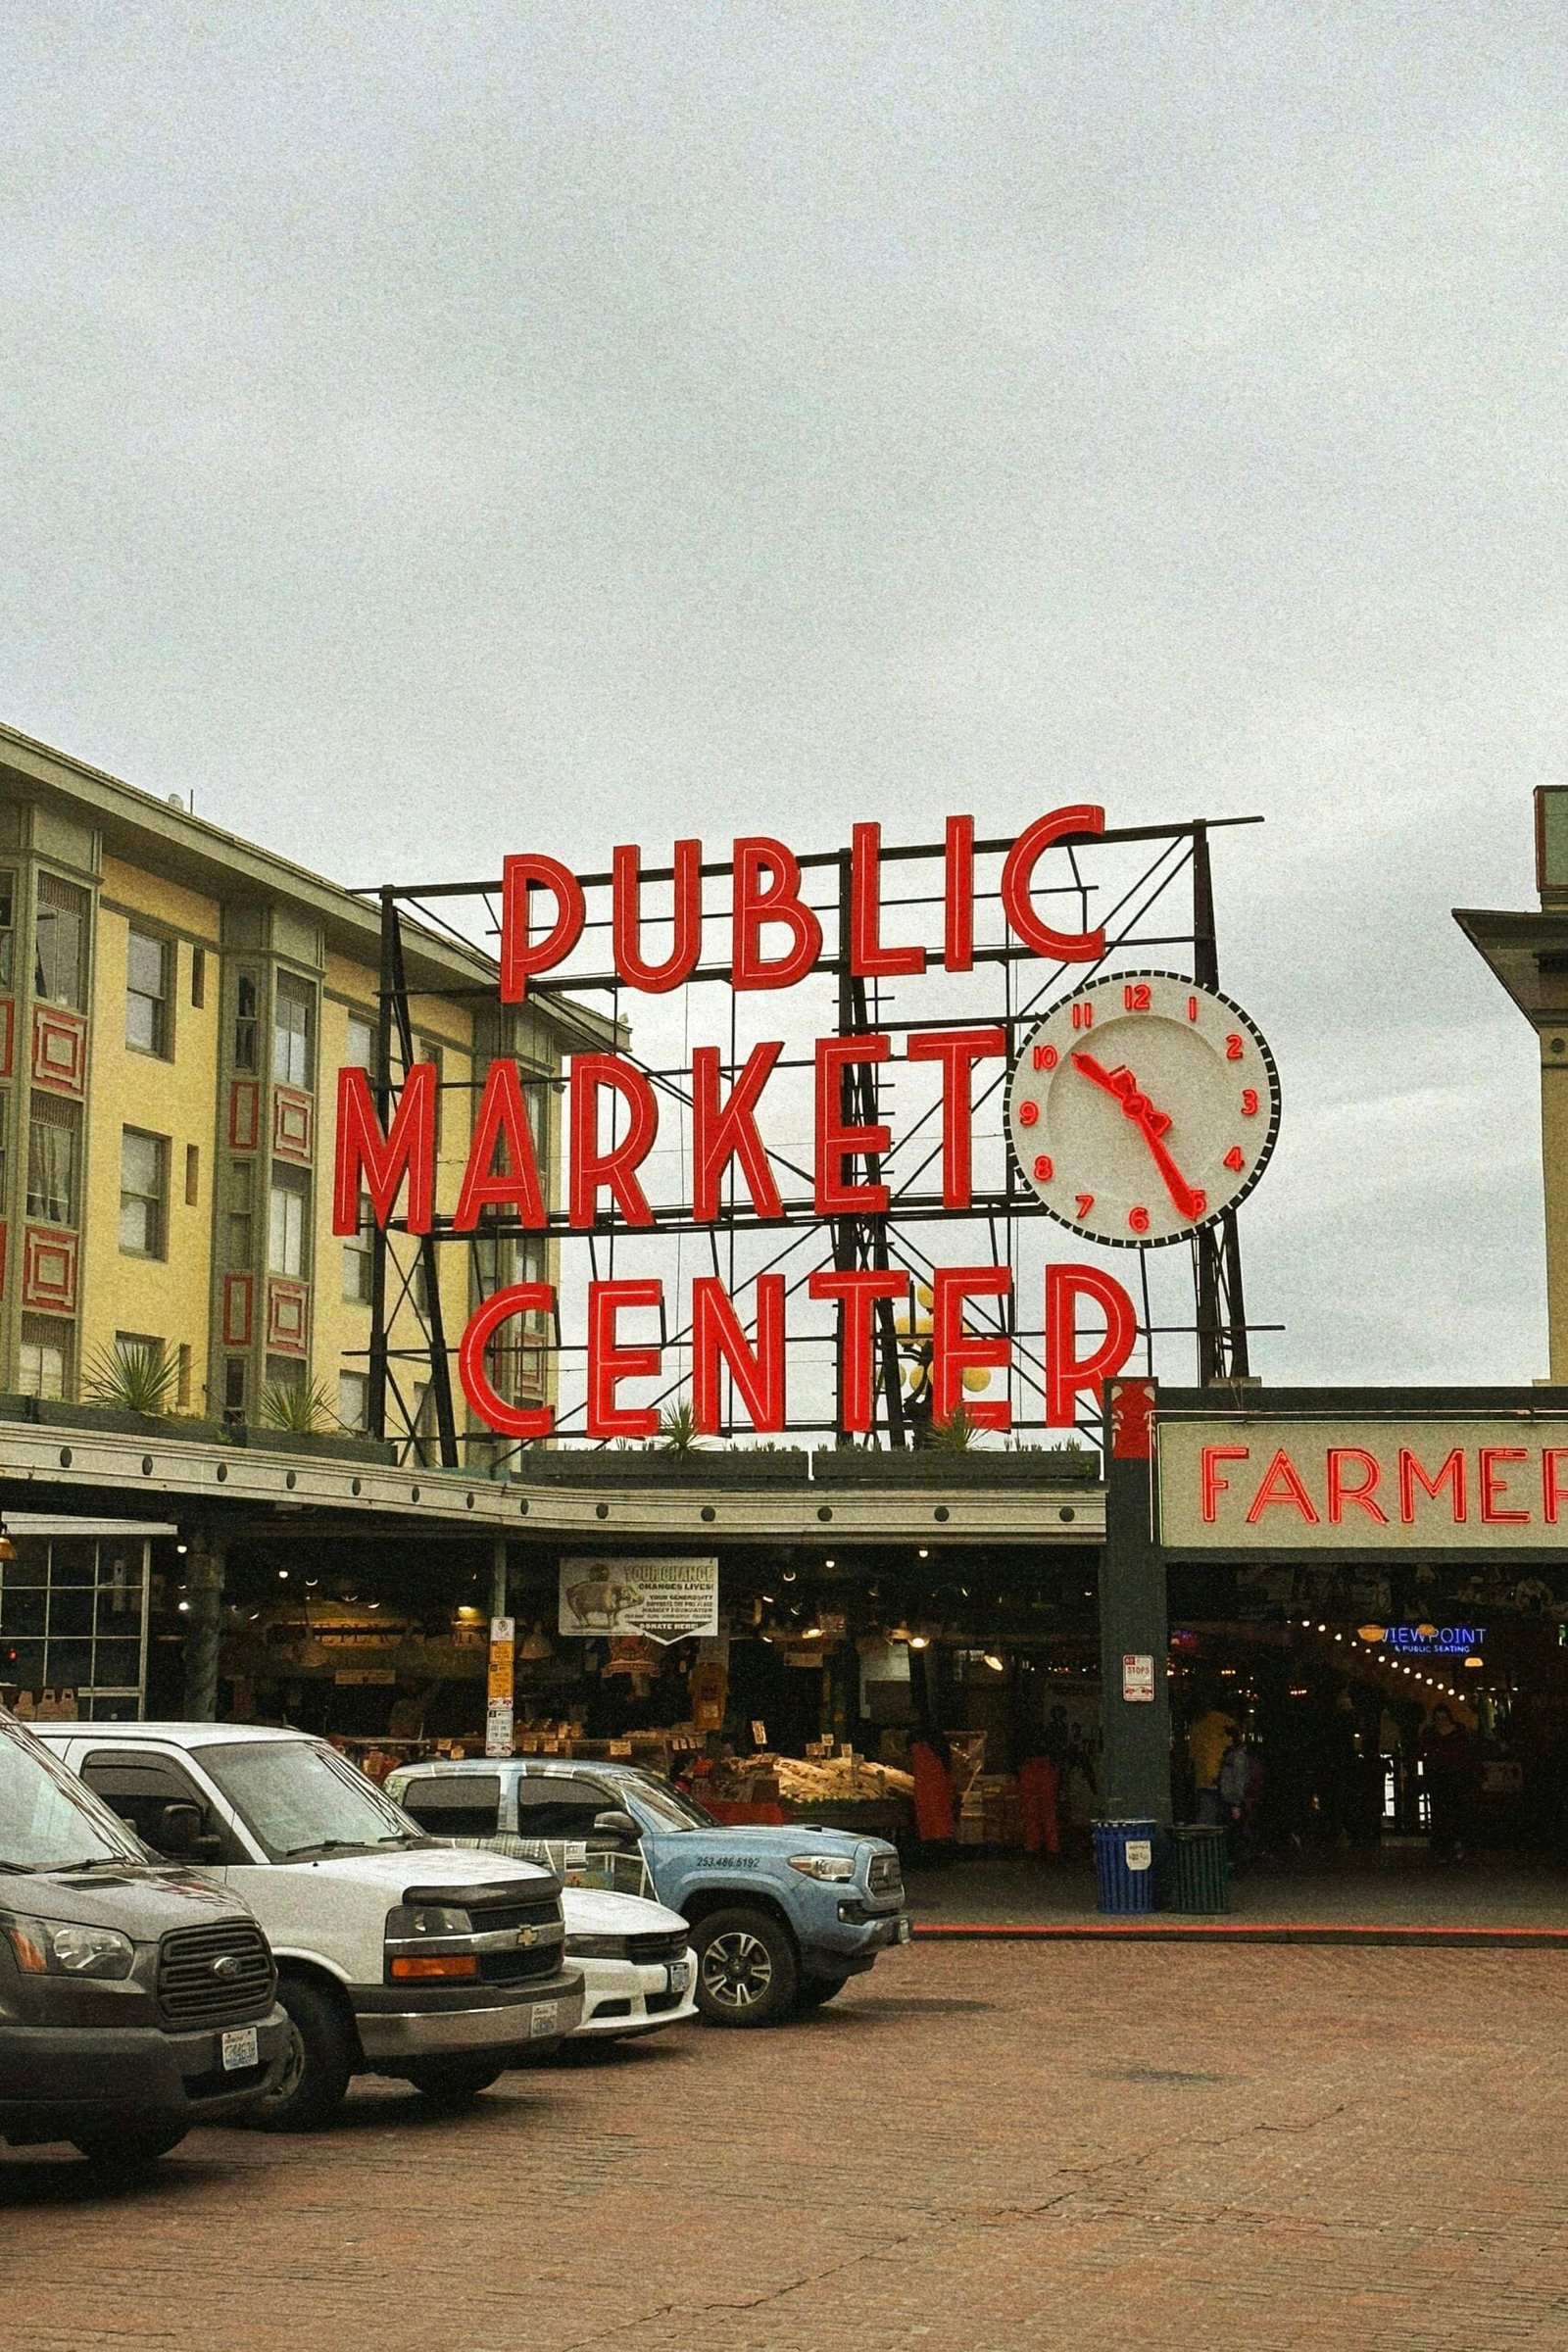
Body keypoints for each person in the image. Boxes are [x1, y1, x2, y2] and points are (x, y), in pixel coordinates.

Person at [1419, 1703, 1477, 1862]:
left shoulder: (1458, 1732)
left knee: (1455, 1812)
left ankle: (1455, 1843)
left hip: (1455, 1776)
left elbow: (1467, 1754)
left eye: (1444, 1718)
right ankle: (1443, 1847)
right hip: (1438, 1777)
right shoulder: (1431, 1733)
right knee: (1440, 1813)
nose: (1441, 1722)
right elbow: (1423, 1750)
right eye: (1438, 1719)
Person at [1188, 1698, 1241, 1827]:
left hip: (1204, 1782)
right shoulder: (1228, 1724)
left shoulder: (1198, 1725)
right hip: (1224, 1782)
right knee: (1228, 1825)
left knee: (1207, 1824)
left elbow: (1192, 1756)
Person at [906, 1723, 956, 1860]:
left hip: (928, 1788)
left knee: (932, 1818)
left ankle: (936, 1851)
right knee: (939, 1817)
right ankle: (941, 1850)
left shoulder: (921, 1748)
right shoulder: (937, 1748)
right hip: (934, 1788)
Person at [1017, 1723, 1061, 1861]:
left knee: (1031, 1813)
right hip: (1045, 1771)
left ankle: (1033, 1846)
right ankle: (1052, 1847)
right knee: (1048, 1814)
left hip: (1031, 1771)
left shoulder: (1023, 1740)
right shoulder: (1049, 1740)